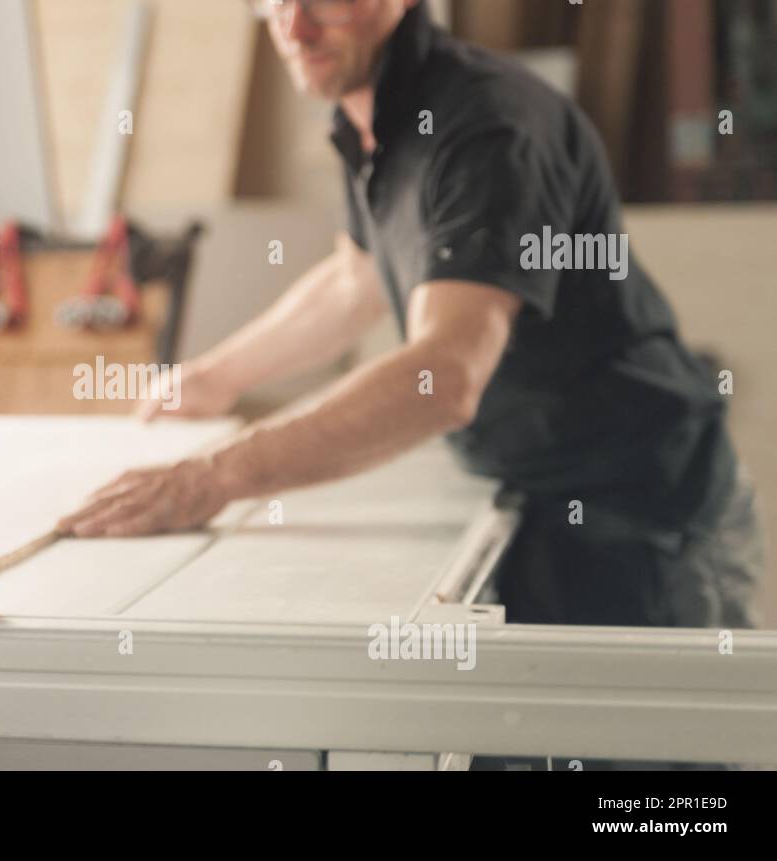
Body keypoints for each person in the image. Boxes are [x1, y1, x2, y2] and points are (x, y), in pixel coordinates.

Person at [58, 0, 766, 638]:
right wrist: (211, 378)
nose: (295, 27)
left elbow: (445, 372)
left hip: (647, 511)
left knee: (660, 779)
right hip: (540, 490)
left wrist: (213, 477)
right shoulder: (371, 116)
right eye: (273, 2)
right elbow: (355, 276)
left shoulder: (486, 126)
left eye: (324, 1)